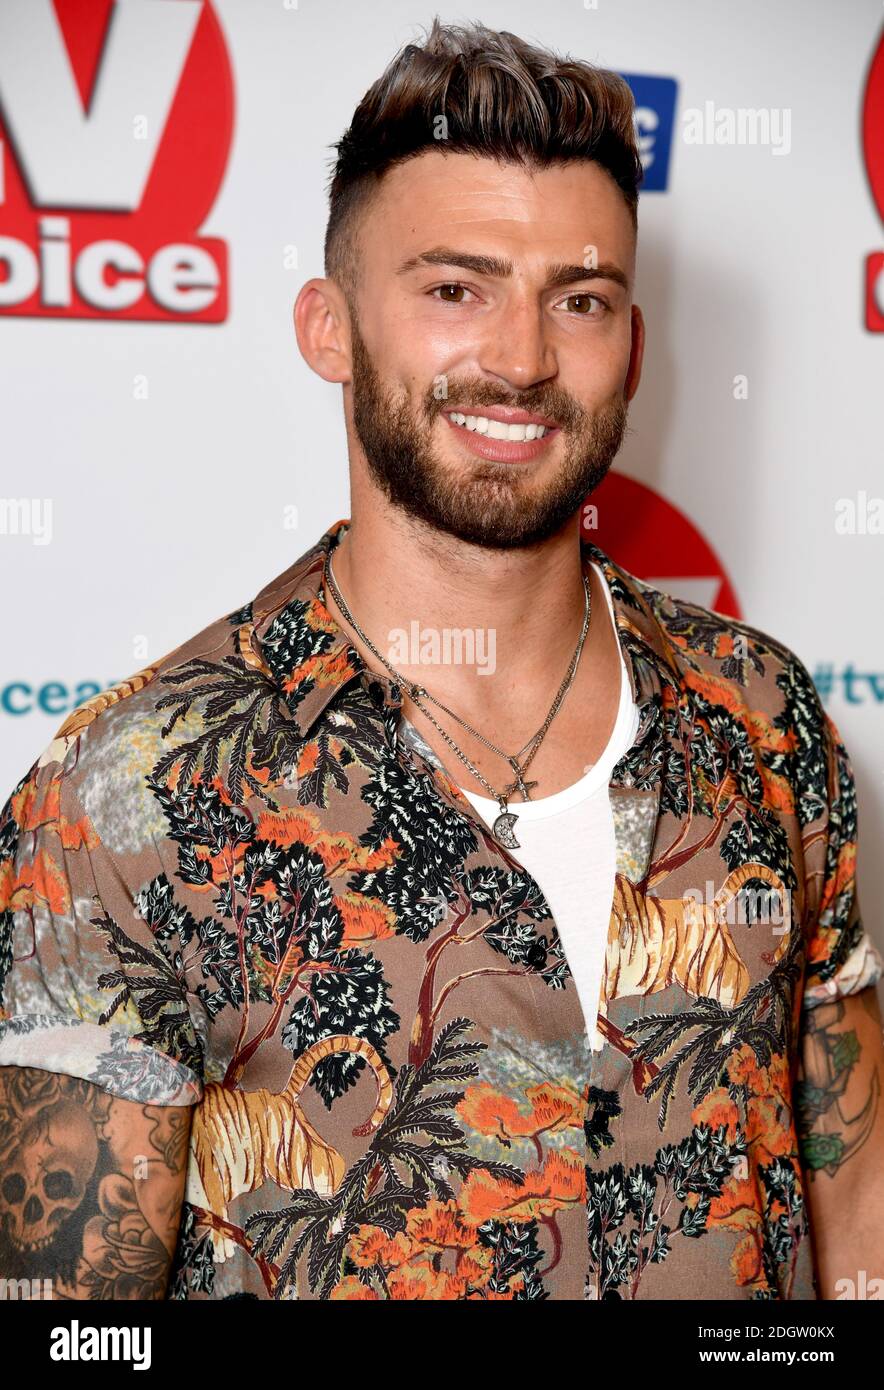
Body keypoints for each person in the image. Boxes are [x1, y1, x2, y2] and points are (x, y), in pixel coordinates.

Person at [1, 19, 882, 1303]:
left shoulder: (759, 714)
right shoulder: (120, 795)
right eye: (453, 289)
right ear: (328, 329)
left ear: (629, 343)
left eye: (577, 300)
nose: (522, 360)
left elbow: (848, 1188)